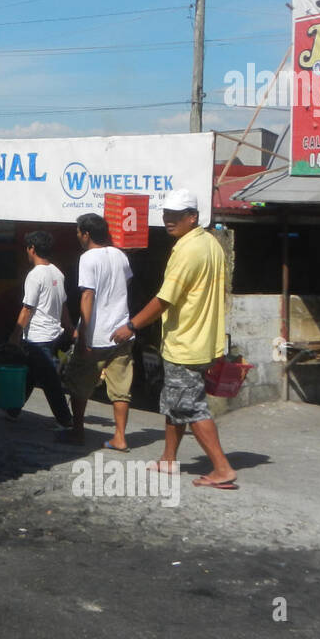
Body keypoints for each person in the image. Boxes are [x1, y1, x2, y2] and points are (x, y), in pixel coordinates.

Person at [111, 188, 237, 488]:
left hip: (186, 342)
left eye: (176, 215)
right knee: (175, 403)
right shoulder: (210, 244)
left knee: (191, 407)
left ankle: (222, 468)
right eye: (166, 214)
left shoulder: (187, 250)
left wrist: (132, 325)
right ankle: (169, 459)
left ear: (192, 217)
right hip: (203, 340)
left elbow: (164, 299)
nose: (168, 220)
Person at [61, 213, 135, 449]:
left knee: (79, 383)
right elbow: (126, 284)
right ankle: (121, 437)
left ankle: (78, 431)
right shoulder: (120, 256)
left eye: (78, 232)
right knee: (121, 387)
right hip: (122, 331)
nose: (78, 236)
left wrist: (83, 333)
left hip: (97, 335)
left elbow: (87, 295)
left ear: (87, 234)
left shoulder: (88, 259)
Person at [6, 230, 73, 428]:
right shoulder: (57, 273)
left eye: (27, 248)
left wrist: (15, 335)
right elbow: (64, 306)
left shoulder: (35, 275)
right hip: (53, 334)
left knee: (50, 380)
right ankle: (13, 409)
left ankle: (65, 419)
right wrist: (70, 329)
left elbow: (28, 308)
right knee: (31, 373)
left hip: (38, 336)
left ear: (32, 249)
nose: (26, 252)